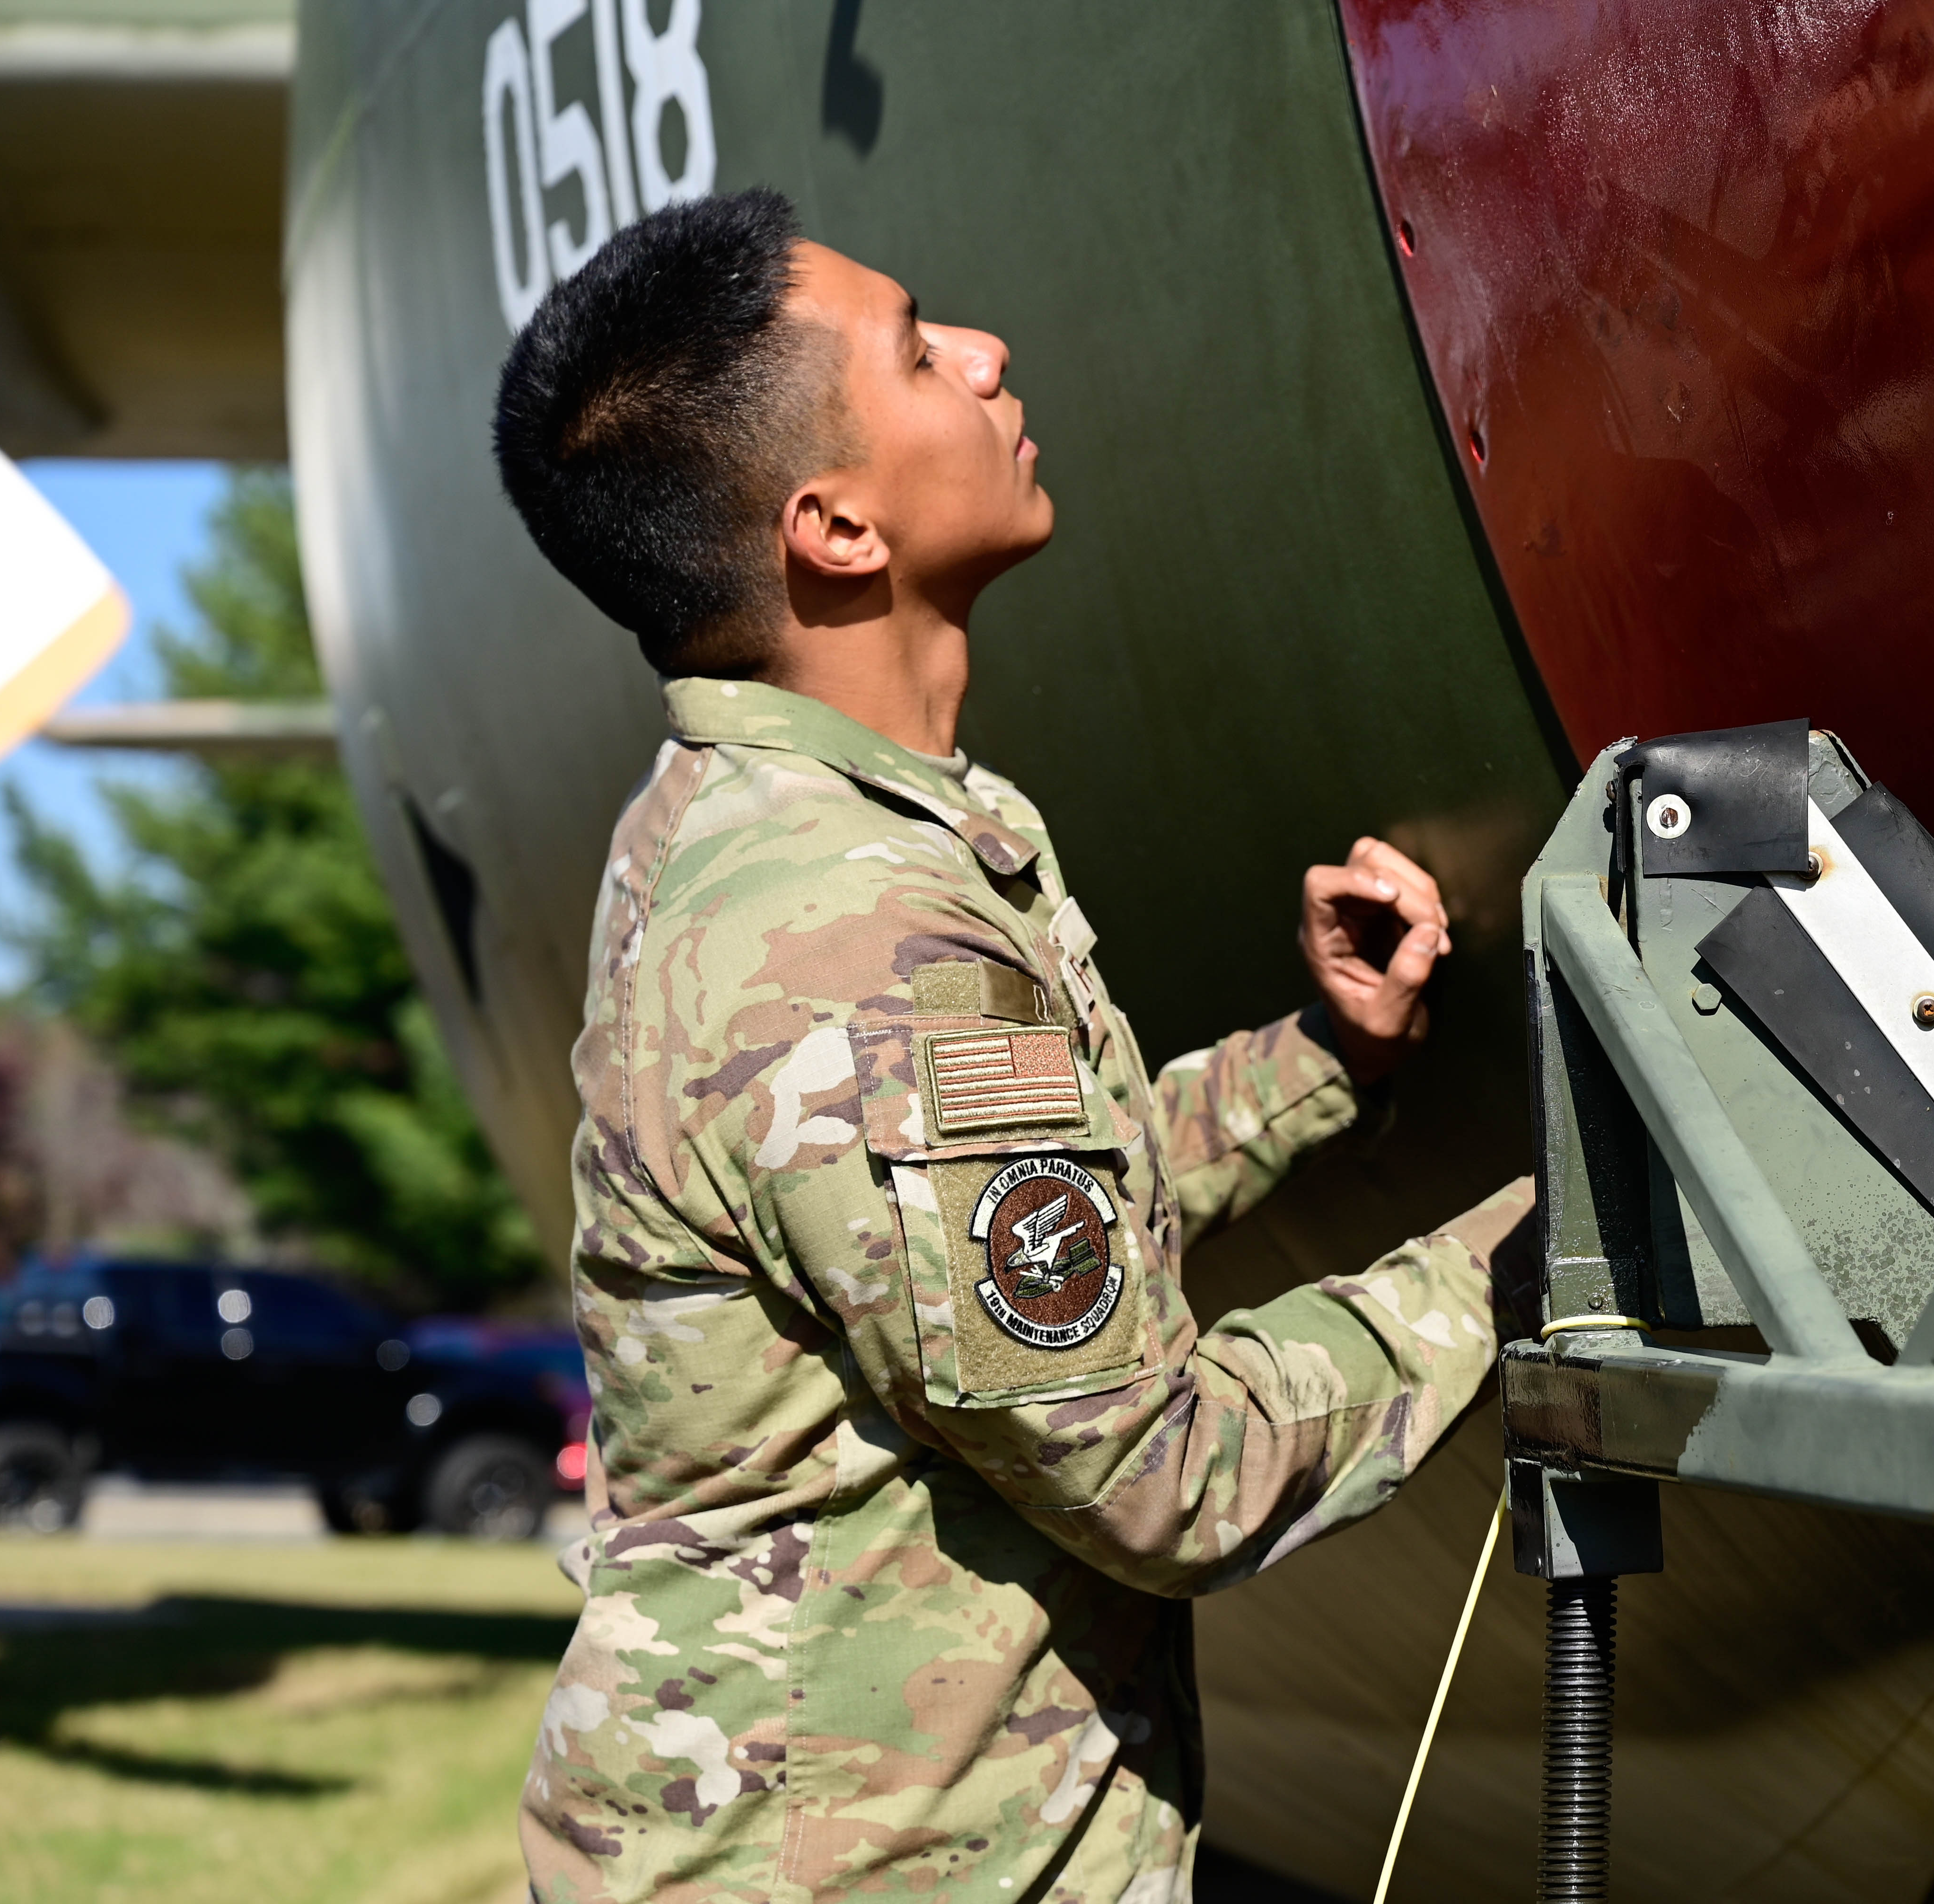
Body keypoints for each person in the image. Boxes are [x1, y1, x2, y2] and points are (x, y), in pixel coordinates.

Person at [489, 187, 1532, 1902]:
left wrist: (1317, 1062)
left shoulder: (760, 826)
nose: (985, 356)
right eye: (918, 353)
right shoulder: (851, 936)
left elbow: (1009, 1236)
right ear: (836, 528)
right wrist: (1526, 1269)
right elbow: (1166, 1473)